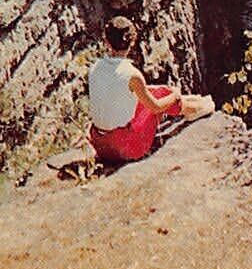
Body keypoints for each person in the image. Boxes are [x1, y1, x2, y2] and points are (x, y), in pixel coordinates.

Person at [87, 15, 214, 164]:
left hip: (99, 143)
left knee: (156, 92)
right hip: (123, 147)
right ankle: (200, 107)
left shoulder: (96, 67)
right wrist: (175, 94)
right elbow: (156, 107)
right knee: (164, 96)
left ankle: (194, 103)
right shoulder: (132, 74)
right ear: (132, 42)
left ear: (107, 41)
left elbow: (116, 93)